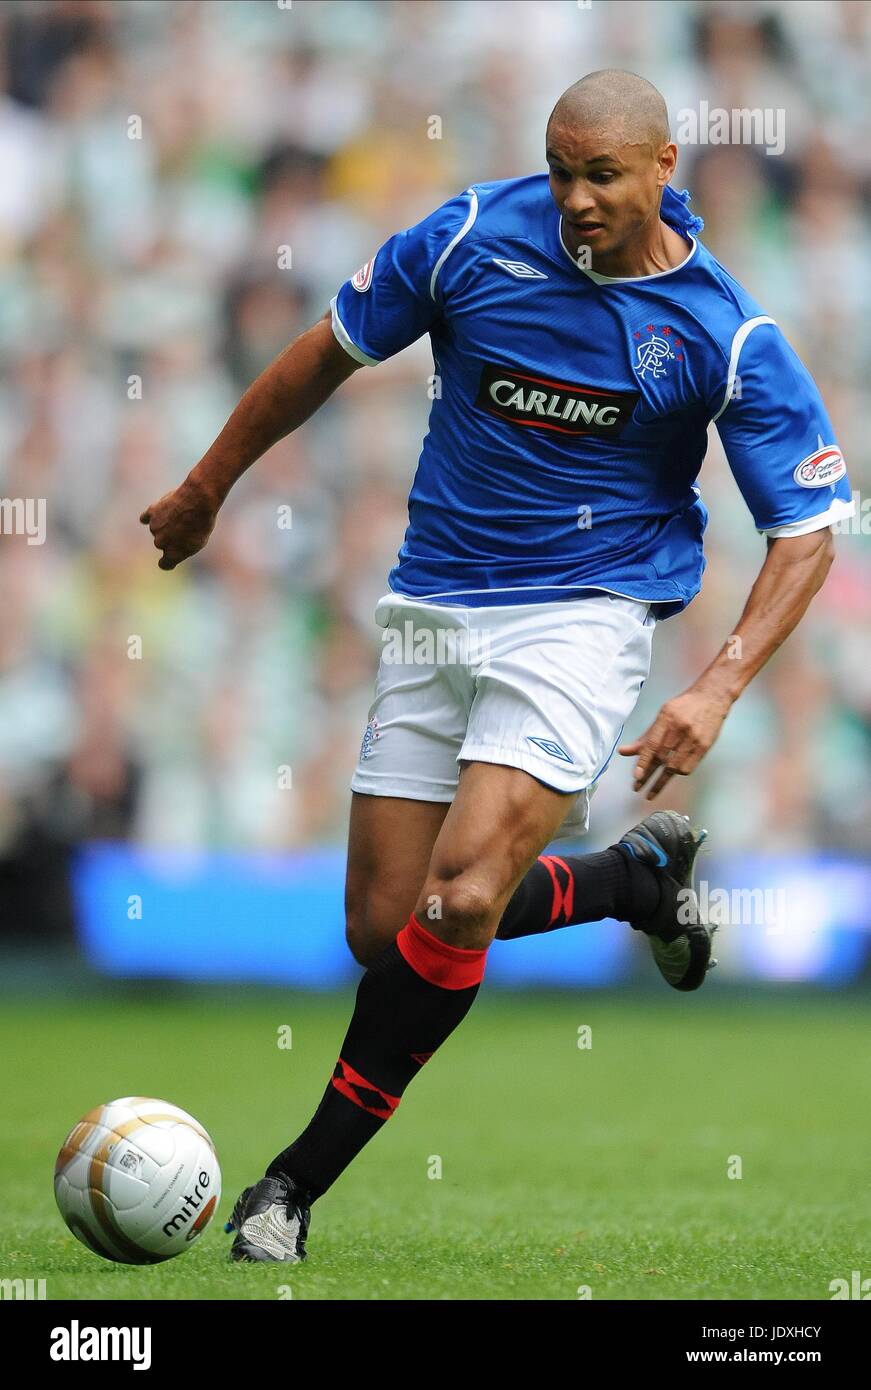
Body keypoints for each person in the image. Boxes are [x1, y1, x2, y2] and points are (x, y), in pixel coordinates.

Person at [140, 70, 852, 1263]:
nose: (573, 198)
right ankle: (629, 884)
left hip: (582, 615)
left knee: (462, 897)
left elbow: (809, 527)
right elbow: (325, 351)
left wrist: (717, 682)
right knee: (387, 925)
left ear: (665, 168)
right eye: (561, 169)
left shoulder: (725, 331)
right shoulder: (471, 235)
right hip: (432, 603)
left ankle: (288, 1187)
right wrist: (211, 485)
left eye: (602, 175)